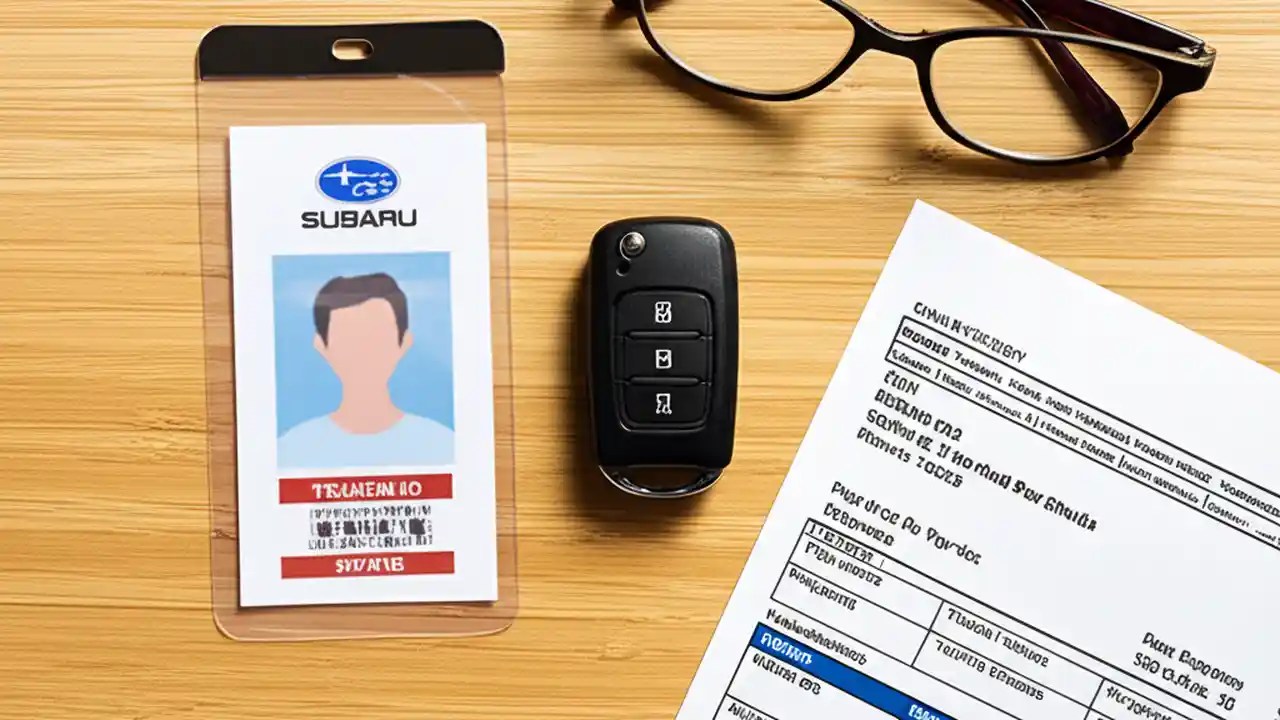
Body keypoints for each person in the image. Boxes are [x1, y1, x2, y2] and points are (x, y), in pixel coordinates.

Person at [277, 272, 454, 468]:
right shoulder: (291, 452)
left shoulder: (444, 448)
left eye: (377, 336)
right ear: (321, 346)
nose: (364, 351)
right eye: (348, 338)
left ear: (404, 342)